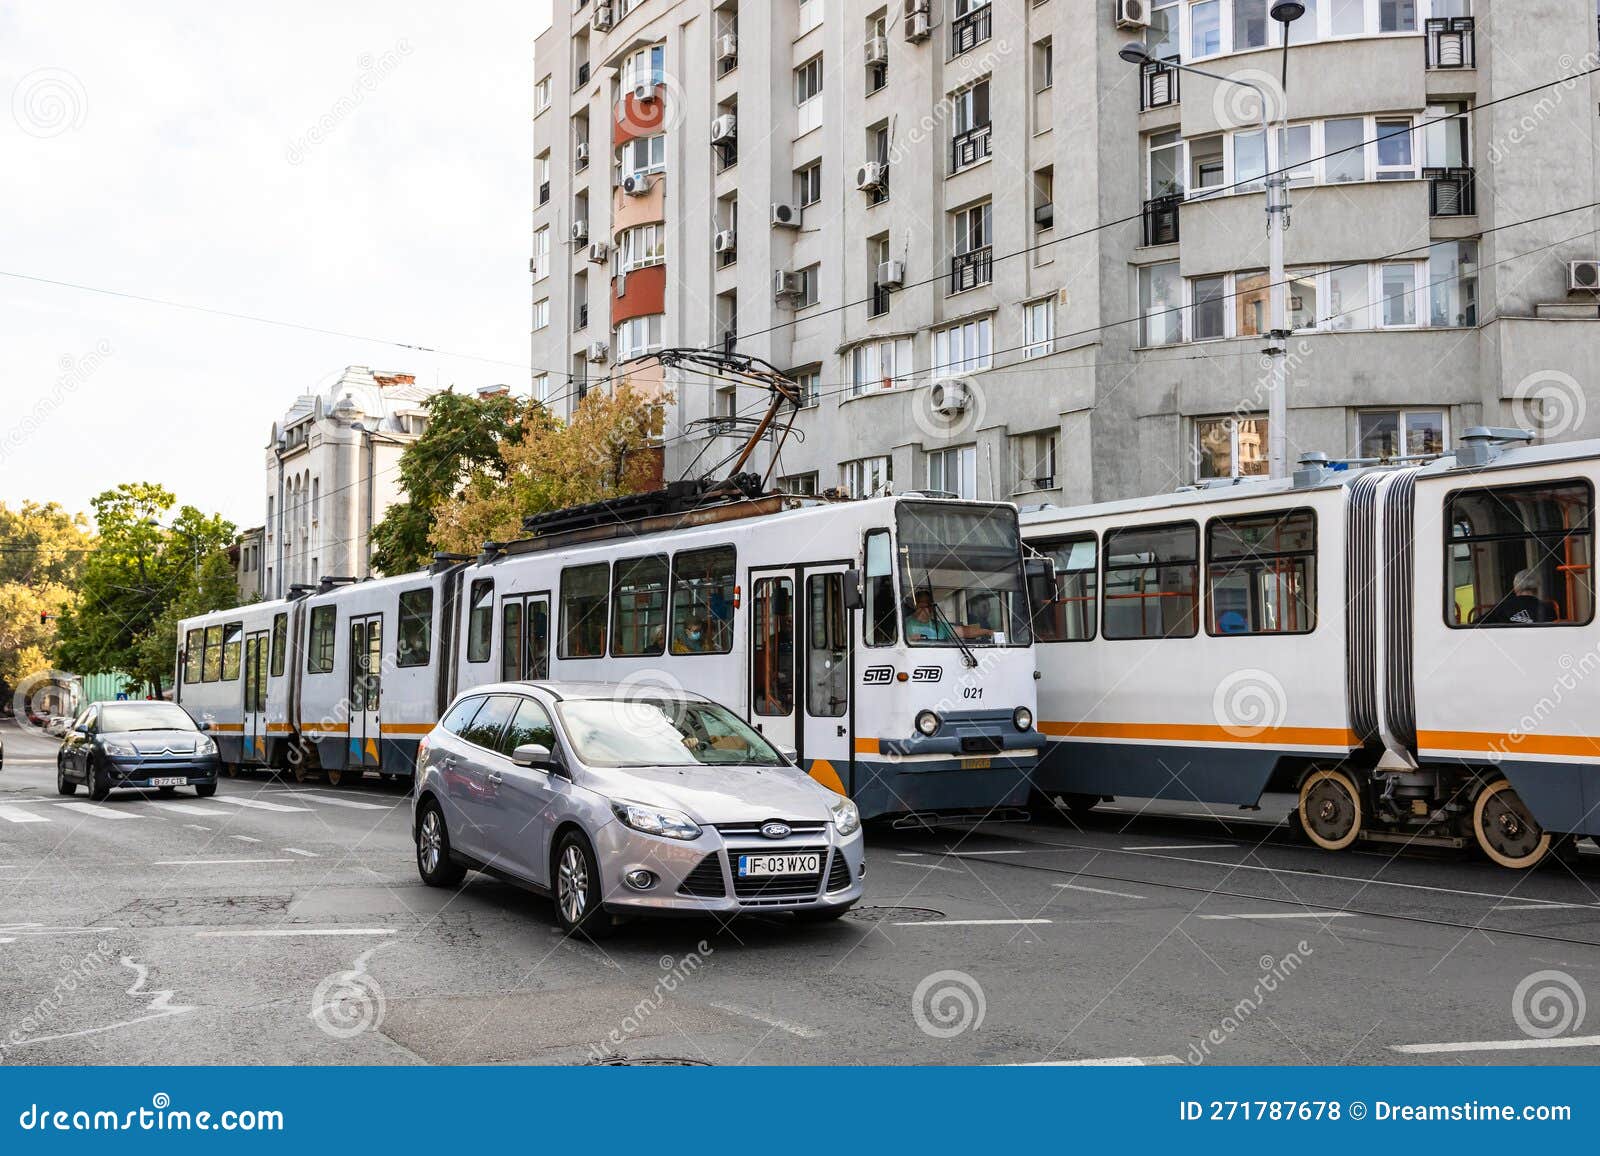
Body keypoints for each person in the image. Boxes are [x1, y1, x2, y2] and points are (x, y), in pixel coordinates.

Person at [1481, 568, 1554, 625]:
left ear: (1516, 588)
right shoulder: (1548, 608)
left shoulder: (1502, 607)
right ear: (1536, 589)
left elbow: (1475, 625)